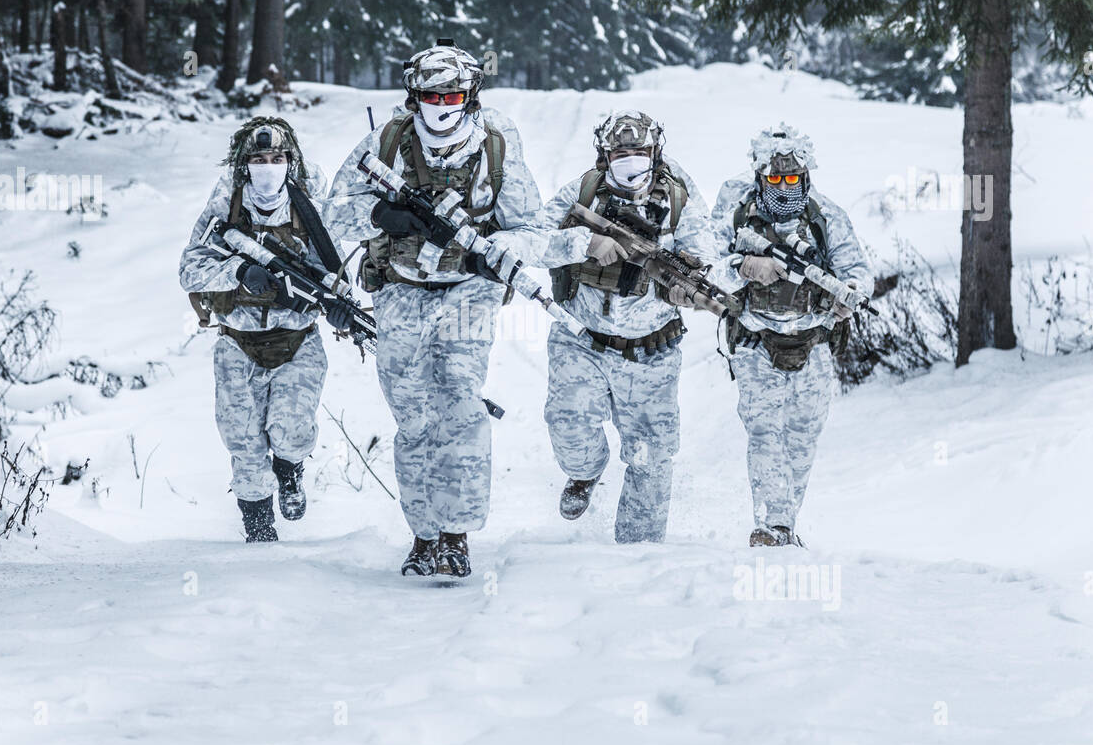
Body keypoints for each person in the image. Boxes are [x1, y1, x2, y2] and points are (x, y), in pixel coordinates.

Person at [323, 39, 554, 577]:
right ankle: (423, 536)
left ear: (470, 93)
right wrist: (385, 217)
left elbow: (533, 228)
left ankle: (457, 535)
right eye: (432, 96)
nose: (443, 106)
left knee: (458, 403)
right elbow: (332, 216)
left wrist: (502, 253)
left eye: (454, 96)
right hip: (400, 287)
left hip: (468, 288)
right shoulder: (386, 141)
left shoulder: (495, 145)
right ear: (414, 95)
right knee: (413, 416)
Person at [495, 109, 719, 543]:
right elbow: (532, 239)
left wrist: (685, 287)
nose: (630, 159)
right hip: (581, 338)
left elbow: (706, 256)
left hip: (652, 350)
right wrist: (585, 242)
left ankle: (639, 556)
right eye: (621, 151)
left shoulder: (679, 199)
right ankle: (585, 472)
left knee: (651, 457)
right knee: (568, 425)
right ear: (604, 154)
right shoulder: (584, 191)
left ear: (656, 152)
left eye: (640, 151)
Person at [179, 117, 352, 542]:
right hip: (238, 343)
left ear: (290, 161)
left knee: (291, 434)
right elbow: (190, 270)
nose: (268, 166)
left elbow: (338, 268)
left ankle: (290, 472)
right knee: (244, 445)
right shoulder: (228, 201)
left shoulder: (310, 200)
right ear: (243, 165)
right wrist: (240, 271)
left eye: (277, 158)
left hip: (298, 340)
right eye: (258, 159)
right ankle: (259, 535)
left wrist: (339, 308)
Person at [705, 123, 873, 546]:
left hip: (814, 343)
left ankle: (786, 523)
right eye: (775, 178)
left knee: (801, 441)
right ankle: (770, 525)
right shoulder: (737, 213)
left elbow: (859, 273)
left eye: (793, 178)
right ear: (760, 176)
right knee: (764, 435)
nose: (784, 186)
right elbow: (704, 266)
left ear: (806, 176)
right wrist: (744, 267)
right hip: (756, 342)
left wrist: (849, 295)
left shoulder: (826, 216)